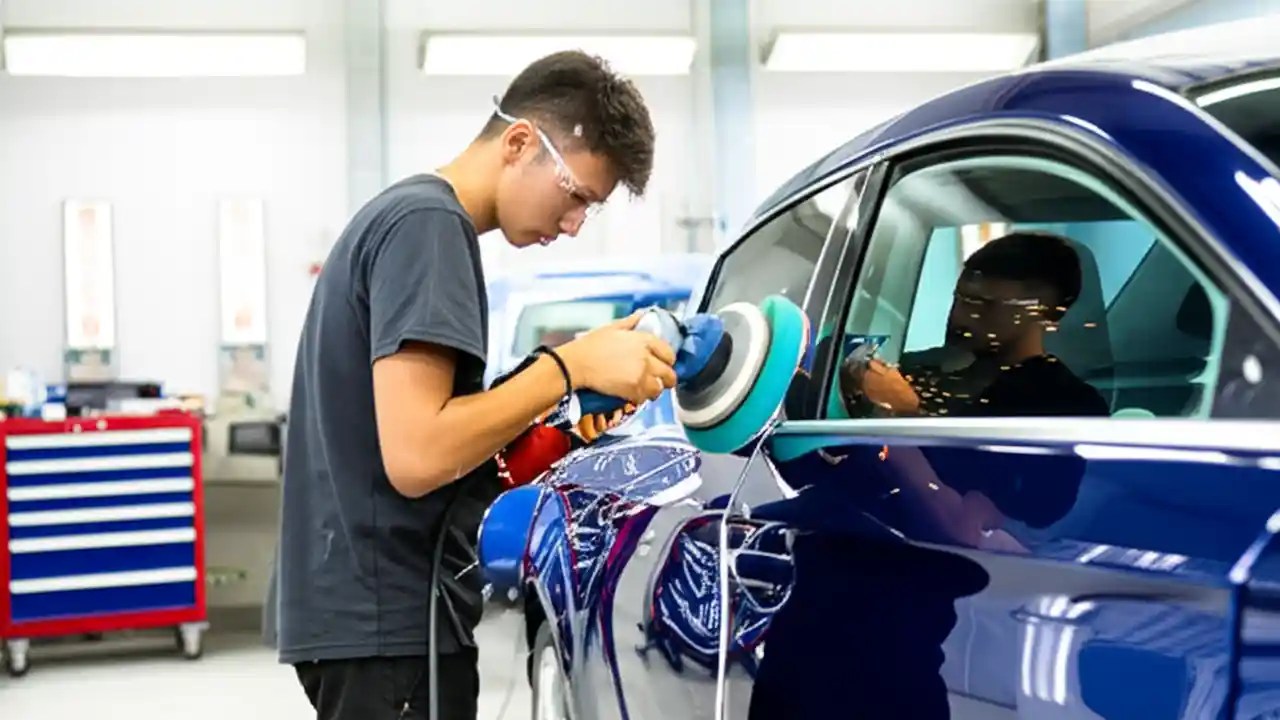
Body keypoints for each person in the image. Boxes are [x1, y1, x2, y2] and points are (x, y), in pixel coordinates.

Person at [275, 50, 677, 720]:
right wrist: (570, 366)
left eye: (591, 210)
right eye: (576, 195)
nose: (575, 224)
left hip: (373, 623)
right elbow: (419, 456)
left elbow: (437, 443)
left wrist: (558, 418)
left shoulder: (407, 219)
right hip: (389, 629)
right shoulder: (428, 228)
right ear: (520, 142)